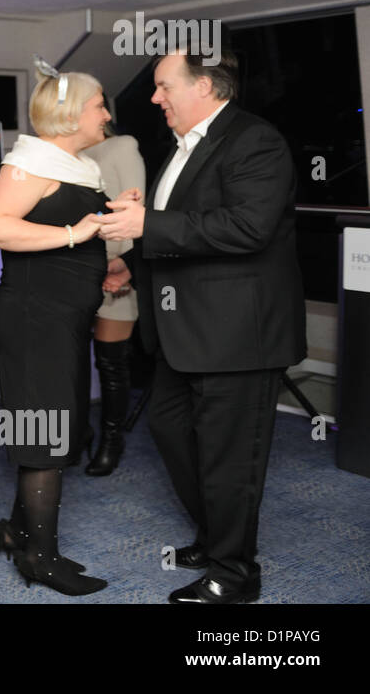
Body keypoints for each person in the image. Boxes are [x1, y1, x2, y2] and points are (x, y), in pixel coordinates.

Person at [95, 49, 305, 604]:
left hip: (236, 335)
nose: (154, 97)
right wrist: (131, 261)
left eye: (164, 86)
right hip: (184, 332)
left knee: (229, 458)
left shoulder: (255, 141)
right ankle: (216, 539)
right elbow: (180, 231)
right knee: (170, 430)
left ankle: (234, 574)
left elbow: (248, 227)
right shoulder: (181, 145)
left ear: (205, 86)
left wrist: (149, 221)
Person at [0, 60, 128, 596]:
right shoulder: (29, 163)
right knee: (45, 433)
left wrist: (109, 232)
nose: (106, 114)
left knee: (54, 424)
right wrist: (74, 234)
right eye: (99, 105)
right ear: (70, 115)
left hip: (60, 316)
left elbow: (72, 228)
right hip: (33, 317)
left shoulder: (77, 165)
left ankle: (18, 532)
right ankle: (40, 560)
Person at [80, 109, 145, 475]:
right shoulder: (69, 154)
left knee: (110, 362)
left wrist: (126, 266)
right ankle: (80, 432)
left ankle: (111, 441)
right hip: (78, 268)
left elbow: (136, 213)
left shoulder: (122, 146)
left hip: (116, 269)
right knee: (74, 358)